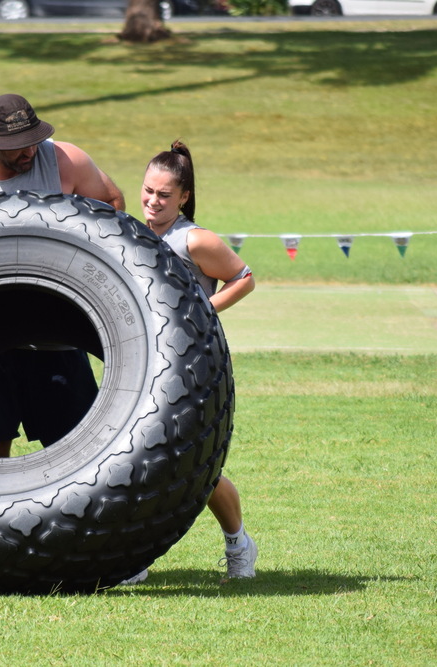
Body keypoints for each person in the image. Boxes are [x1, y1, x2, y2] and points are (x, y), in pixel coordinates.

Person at [0, 93, 125, 458]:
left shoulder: (64, 160)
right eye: (18, 148)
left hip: (57, 333)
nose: (29, 153)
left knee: (76, 446)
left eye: (33, 142)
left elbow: (112, 206)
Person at [123, 140, 257, 584]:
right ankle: (132, 556)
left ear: (183, 197)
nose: (152, 201)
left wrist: (204, 309)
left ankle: (239, 543)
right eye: (147, 191)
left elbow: (244, 278)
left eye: (164, 195)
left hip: (192, 369)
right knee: (138, 459)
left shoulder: (194, 239)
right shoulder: (132, 232)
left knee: (197, 469)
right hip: (142, 365)